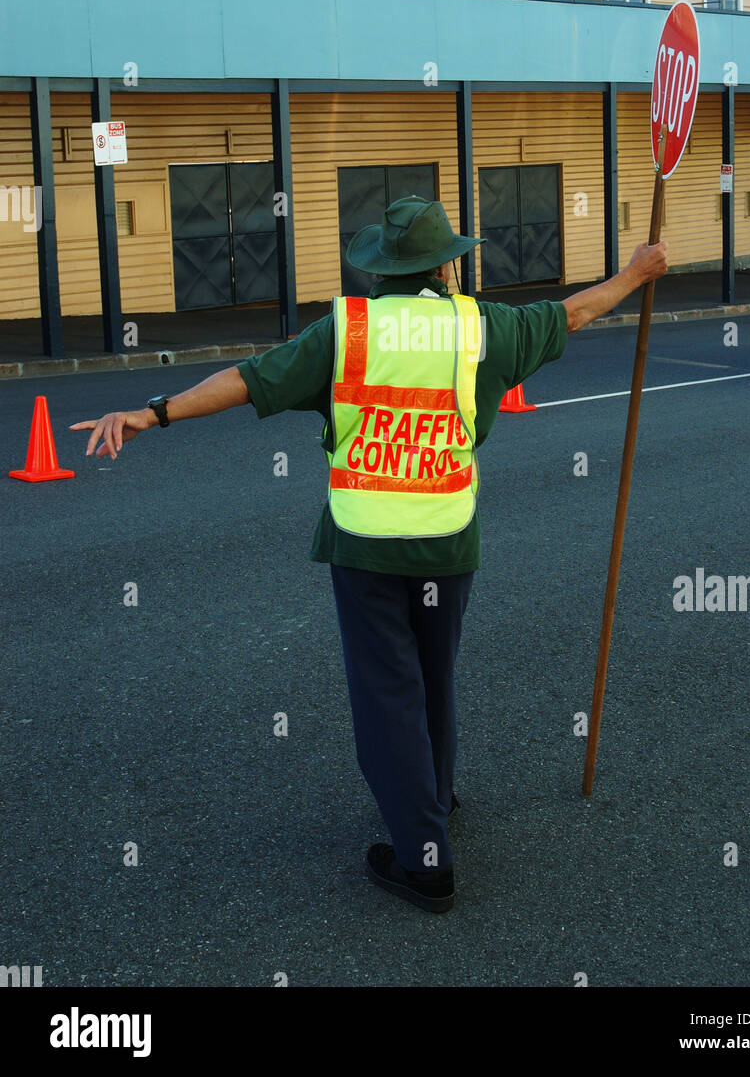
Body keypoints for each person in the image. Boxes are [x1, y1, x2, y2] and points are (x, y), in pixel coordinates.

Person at [71, 195, 667, 914]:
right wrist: (636, 273)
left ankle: (425, 863)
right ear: (447, 263)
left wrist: (154, 412)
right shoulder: (479, 325)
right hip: (448, 541)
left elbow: (249, 380)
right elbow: (569, 313)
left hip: (368, 545)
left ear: (379, 267)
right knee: (433, 675)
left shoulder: (346, 330)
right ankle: (434, 798)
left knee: (389, 693)